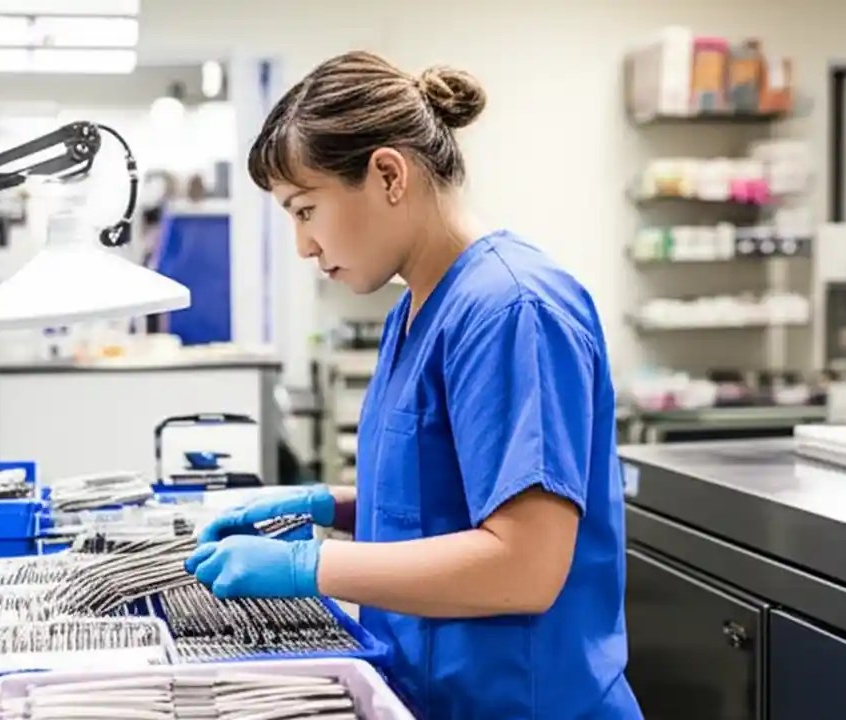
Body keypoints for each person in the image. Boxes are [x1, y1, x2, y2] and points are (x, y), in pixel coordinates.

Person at [184, 51, 643, 719]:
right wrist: (326, 506)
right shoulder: (417, 309)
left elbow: (525, 565)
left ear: (389, 174)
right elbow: (449, 495)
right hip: (435, 696)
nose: (303, 247)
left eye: (305, 209)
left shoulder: (513, 309)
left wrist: (309, 566)